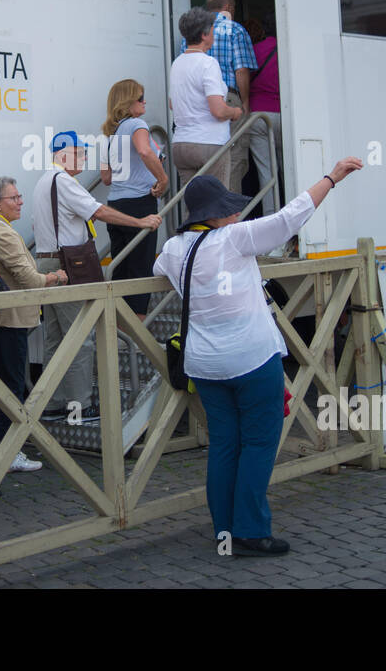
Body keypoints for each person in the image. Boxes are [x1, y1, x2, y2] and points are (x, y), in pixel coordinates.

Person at [153, 159, 362, 557]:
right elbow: (291, 217)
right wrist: (332, 178)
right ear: (212, 216)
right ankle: (250, 530)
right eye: (228, 208)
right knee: (259, 444)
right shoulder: (234, 239)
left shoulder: (174, 249)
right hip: (251, 358)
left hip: (205, 364)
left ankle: (225, 532)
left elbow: (158, 266)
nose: (236, 212)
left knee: (224, 446)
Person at [32, 131, 162, 419]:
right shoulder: (64, 181)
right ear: (64, 153)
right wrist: (139, 221)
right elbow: (100, 212)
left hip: (47, 264)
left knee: (55, 339)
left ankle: (52, 403)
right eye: (79, 152)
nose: (85, 158)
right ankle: (81, 404)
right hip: (68, 267)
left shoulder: (44, 181)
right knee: (80, 335)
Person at [0, 176, 66, 471]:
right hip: (10, 319)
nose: (21, 201)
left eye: (20, 196)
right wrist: (57, 277)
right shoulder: (3, 234)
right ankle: (7, 453)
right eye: (15, 197)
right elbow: (31, 279)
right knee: (10, 388)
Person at [100, 79, 168, 318]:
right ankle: (135, 337)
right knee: (140, 273)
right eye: (140, 98)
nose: (145, 101)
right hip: (140, 203)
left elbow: (106, 177)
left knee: (121, 272)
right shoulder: (137, 124)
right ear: (128, 102)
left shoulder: (110, 134)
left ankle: (119, 339)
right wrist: (163, 179)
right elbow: (144, 151)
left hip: (116, 205)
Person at [178, 0, 258, 188]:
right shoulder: (235, 30)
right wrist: (245, 103)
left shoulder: (190, 37)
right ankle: (229, 214)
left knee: (207, 164)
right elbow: (241, 70)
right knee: (234, 156)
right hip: (227, 101)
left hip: (197, 106)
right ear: (229, 7)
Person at [170, 7, 243, 188]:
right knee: (216, 207)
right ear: (204, 35)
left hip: (181, 143)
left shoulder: (177, 64)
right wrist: (234, 112)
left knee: (194, 206)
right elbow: (218, 110)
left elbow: (173, 104)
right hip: (209, 143)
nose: (214, 33)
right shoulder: (208, 63)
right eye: (212, 30)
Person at [247, 15, 284, 216]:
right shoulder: (283, 47)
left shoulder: (251, 52)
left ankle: (271, 219)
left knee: (267, 172)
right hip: (285, 115)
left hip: (258, 117)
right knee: (290, 168)